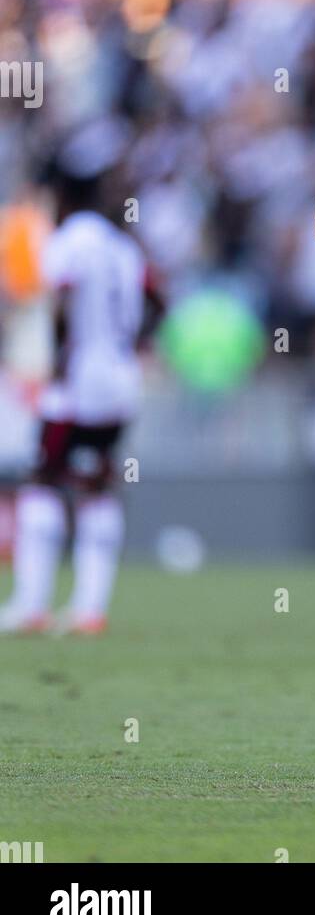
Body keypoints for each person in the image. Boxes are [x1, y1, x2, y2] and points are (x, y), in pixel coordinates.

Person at [0, 171, 162, 635]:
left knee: (41, 481)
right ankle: (90, 609)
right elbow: (158, 299)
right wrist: (130, 346)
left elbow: (61, 296)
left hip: (75, 384)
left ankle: (32, 607)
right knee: (95, 486)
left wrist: (59, 357)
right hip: (119, 384)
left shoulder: (70, 240)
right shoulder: (125, 248)